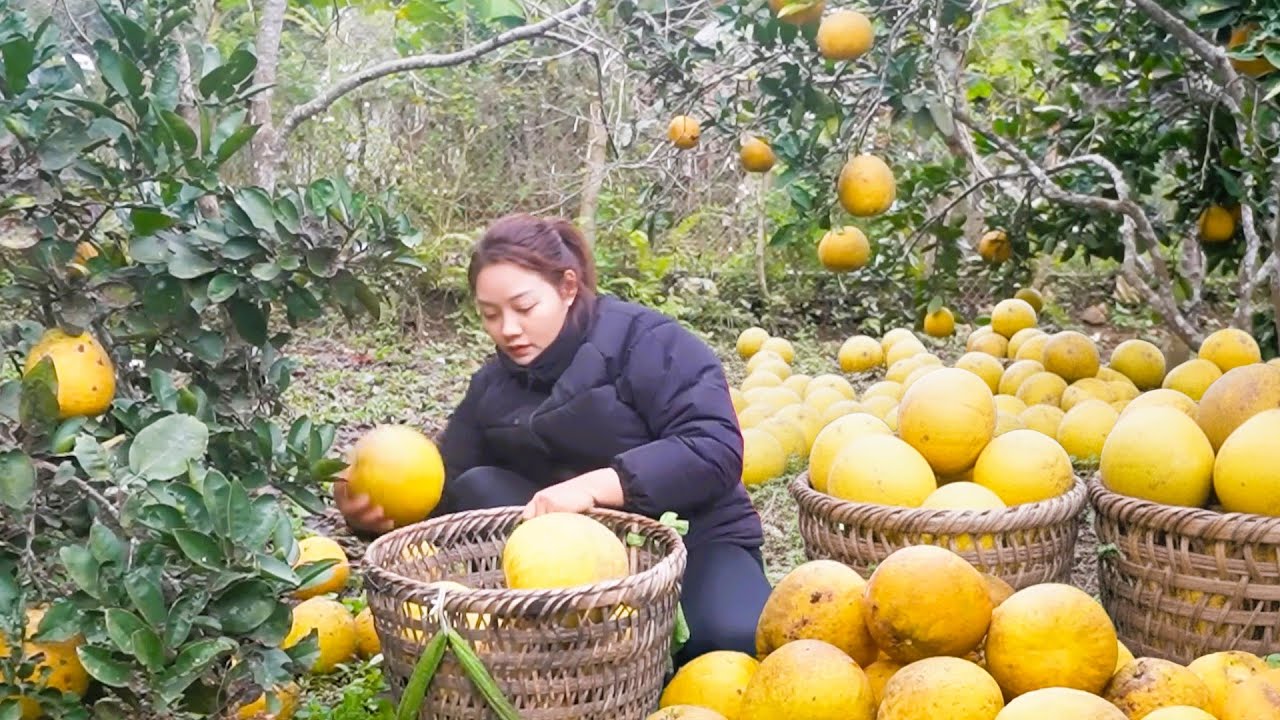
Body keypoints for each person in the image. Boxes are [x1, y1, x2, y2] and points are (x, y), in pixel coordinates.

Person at [334, 212, 772, 668]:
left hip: (695, 539)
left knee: (731, 642)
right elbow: (443, 491)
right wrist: (369, 514)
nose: (508, 329)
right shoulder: (493, 385)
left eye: (524, 308)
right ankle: (579, 644)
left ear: (567, 287)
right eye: (490, 314)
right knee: (479, 485)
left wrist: (594, 486)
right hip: (575, 562)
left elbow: (714, 447)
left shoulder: (646, 341)